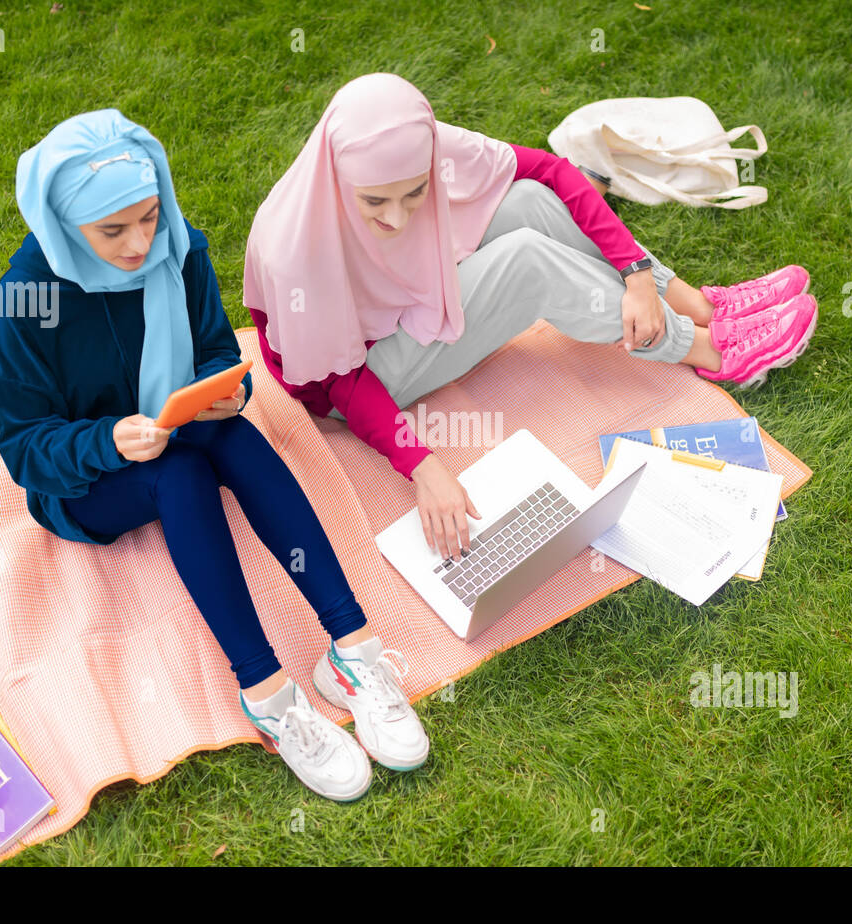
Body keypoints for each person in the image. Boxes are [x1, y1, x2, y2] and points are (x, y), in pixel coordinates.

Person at [0, 109, 429, 803]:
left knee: (231, 434)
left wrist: (231, 388)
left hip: (180, 426)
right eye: (112, 231)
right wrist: (107, 440)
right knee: (178, 470)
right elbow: (24, 451)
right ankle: (268, 694)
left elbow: (219, 352)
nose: (140, 244)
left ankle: (354, 651)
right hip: (85, 481)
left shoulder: (177, 248)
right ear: (64, 225)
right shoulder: (24, 302)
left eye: (149, 216)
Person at [244, 73, 818, 564]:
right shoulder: (298, 249)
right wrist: (422, 466)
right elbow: (335, 382)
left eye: (415, 193)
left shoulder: (420, 142)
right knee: (525, 262)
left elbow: (550, 172)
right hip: (355, 379)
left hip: (397, 309)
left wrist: (639, 272)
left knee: (526, 204)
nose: (397, 217)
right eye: (375, 202)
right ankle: (707, 351)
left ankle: (698, 306)